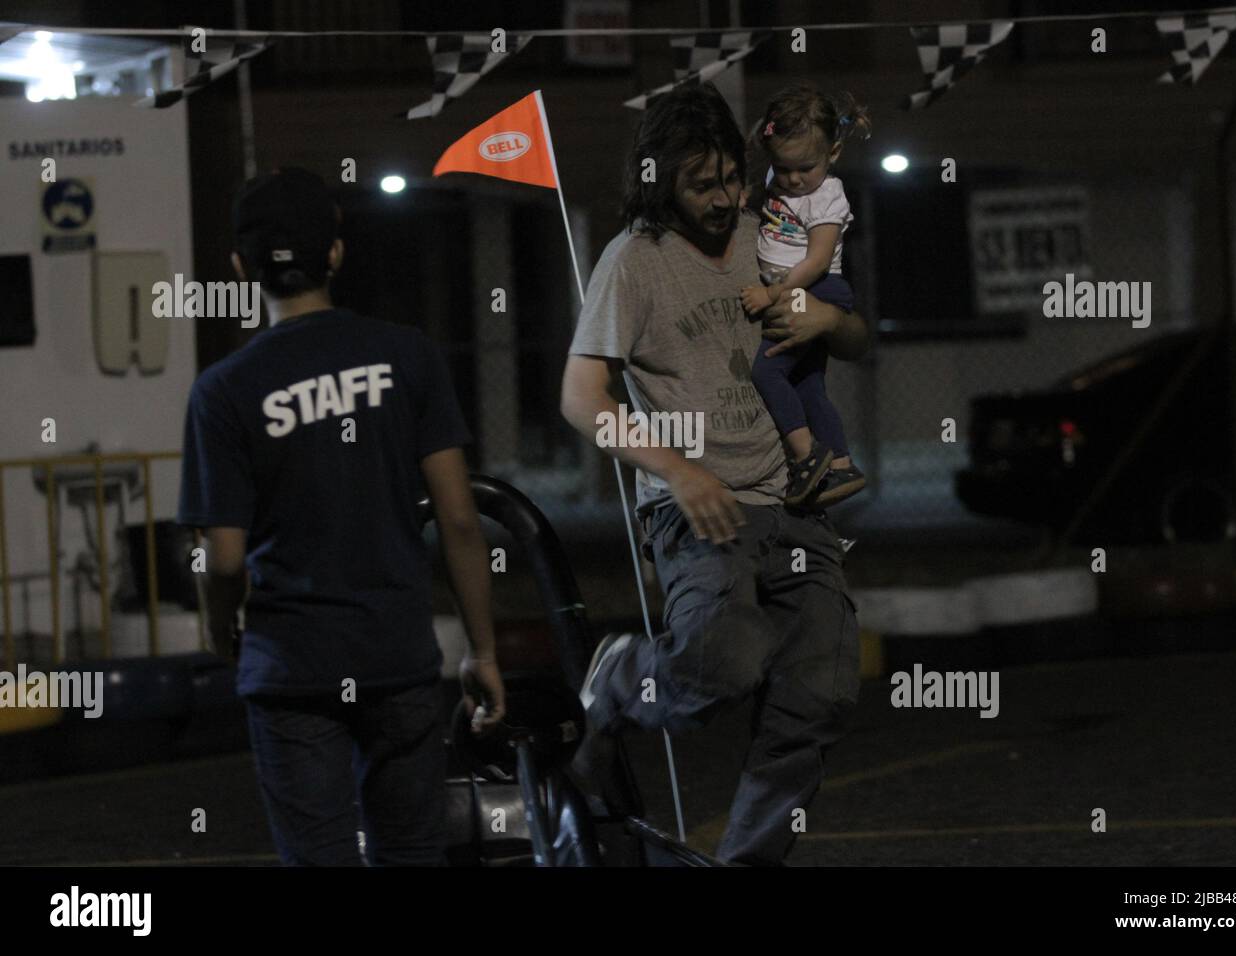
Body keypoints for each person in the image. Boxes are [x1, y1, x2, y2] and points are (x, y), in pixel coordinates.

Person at [560, 83, 867, 866]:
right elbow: (580, 398)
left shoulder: (777, 226)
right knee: (725, 659)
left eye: (734, 176)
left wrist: (831, 320)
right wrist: (677, 471)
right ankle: (623, 675)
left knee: (821, 690)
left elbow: (860, 334)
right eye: (703, 184)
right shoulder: (634, 260)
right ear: (660, 178)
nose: (727, 197)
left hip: (793, 500)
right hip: (695, 508)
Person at [178, 167, 505, 866]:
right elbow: (460, 520)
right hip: (397, 656)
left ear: (240, 267)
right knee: (412, 854)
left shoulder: (222, 392)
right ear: (334, 252)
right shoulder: (408, 356)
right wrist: (483, 651)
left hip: (290, 668)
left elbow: (225, 558)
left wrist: (216, 624)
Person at [740, 84, 870, 508]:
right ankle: (841, 467)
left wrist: (772, 293)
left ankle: (806, 456)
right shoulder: (782, 179)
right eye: (783, 168)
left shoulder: (826, 195)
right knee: (810, 386)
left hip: (815, 289)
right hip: (800, 287)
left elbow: (815, 261)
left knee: (767, 372)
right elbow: (770, 201)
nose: (793, 179)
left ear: (832, 154)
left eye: (804, 169)